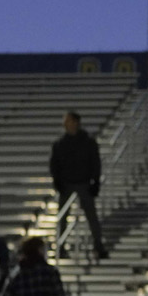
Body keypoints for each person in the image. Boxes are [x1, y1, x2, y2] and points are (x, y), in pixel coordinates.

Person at [50, 110, 106, 258]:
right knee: (63, 216)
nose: (65, 124)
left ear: (76, 122)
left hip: (84, 183)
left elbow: (95, 162)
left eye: (68, 121)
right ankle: (61, 246)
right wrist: (57, 181)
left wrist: (95, 181)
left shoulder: (88, 142)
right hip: (66, 184)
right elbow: (54, 165)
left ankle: (98, 245)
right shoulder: (60, 143)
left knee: (91, 215)